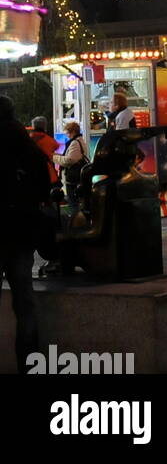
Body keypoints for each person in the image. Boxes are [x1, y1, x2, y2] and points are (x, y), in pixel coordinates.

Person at [0, 95, 51, 373]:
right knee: (24, 302)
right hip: (20, 234)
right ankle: (29, 363)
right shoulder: (25, 144)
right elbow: (44, 186)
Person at [56, 122, 89, 213]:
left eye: (68, 132)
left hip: (73, 177)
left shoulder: (74, 143)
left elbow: (70, 160)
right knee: (77, 201)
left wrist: (55, 157)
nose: (67, 135)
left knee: (73, 202)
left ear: (73, 132)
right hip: (78, 176)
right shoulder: (80, 141)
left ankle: (76, 222)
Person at [28, 119, 60, 190]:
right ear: (44, 127)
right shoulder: (49, 140)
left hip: (31, 172)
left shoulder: (28, 139)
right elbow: (56, 146)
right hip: (48, 172)